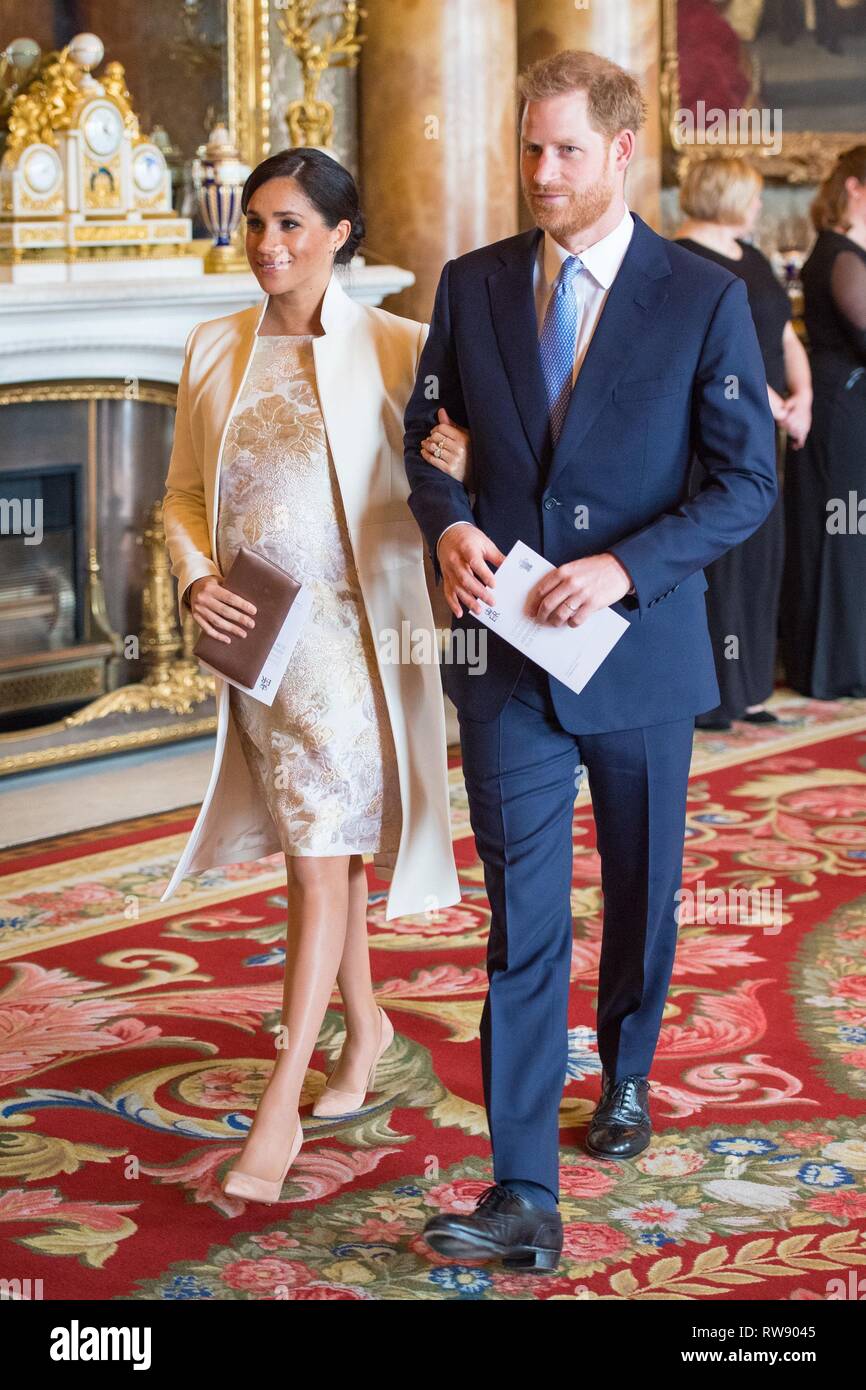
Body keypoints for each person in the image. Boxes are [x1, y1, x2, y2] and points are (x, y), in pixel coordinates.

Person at [404, 48, 777, 1273]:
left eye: (564, 150)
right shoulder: (467, 285)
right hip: (505, 659)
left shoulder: (698, 297)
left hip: (636, 650)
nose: (540, 172)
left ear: (620, 152)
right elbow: (424, 439)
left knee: (639, 885)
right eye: (527, 148)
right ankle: (522, 1191)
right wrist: (448, 520)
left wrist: (624, 568)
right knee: (522, 924)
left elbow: (744, 484)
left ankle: (625, 1071)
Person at [159, 148, 462, 1205]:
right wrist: (195, 581)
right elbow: (181, 499)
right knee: (317, 851)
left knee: (317, 857)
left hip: (350, 641)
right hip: (257, 651)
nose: (266, 246)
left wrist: (461, 472)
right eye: (253, 224)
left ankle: (282, 1096)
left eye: (289, 225)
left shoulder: (400, 346)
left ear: (341, 234)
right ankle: (367, 1022)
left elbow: (454, 474)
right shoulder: (210, 346)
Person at [674, 155, 812, 730]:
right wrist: (768, 400)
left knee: (760, 554)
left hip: (767, 425)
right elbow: (708, 349)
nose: (760, 205)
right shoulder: (678, 257)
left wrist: (800, 394)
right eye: (753, 195)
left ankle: (751, 687)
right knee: (720, 560)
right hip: (714, 432)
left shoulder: (751, 256)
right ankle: (710, 695)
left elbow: (782, 331)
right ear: (727, 195)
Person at [780, 145, 866, 698]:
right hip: (838, 412)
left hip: (852, 407)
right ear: (855, 188)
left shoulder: (852, 251)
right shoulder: (838, 254)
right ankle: (832, 667)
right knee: (838, 534)